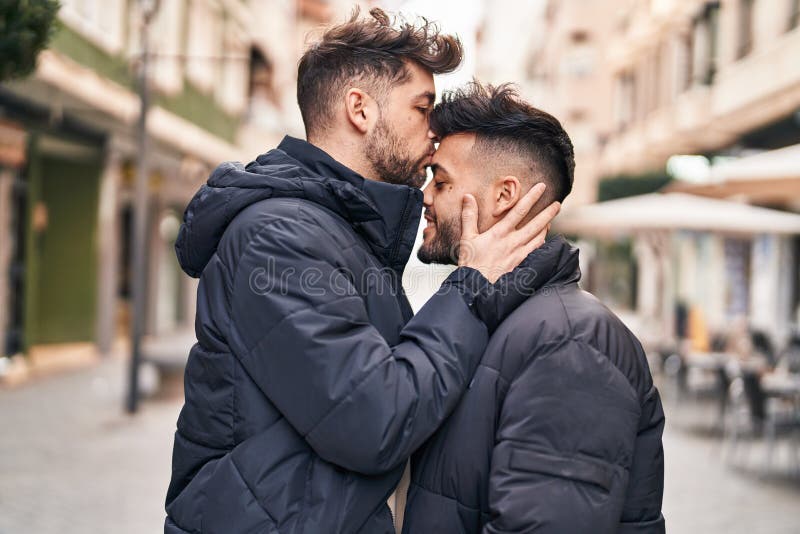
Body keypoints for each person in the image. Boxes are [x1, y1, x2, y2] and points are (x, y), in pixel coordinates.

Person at [164, 10, 560, 534]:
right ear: (360, 109)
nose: (435, 134)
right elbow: (375, 420)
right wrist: (470, 286)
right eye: (423, 109)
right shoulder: (281, 236)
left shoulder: (338, 233)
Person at [402, 82, 666, 534]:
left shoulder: (570, 342)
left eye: (441, 182)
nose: (425, 197)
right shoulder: (488, 318)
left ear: (505, 196)